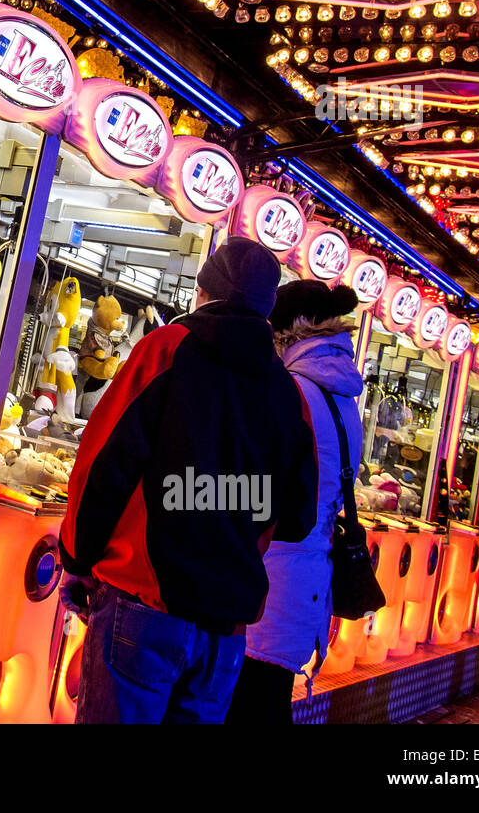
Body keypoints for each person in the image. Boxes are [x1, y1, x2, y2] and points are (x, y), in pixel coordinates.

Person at [59, 236, 318, 724]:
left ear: (204, 293)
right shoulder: (287, 392)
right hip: (226, 628)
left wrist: (76, 557)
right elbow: (300, 516)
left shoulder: (167, 349)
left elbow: (102, 465)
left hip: (144, 600)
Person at [225, 280, 363, 724]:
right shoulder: (343, 401)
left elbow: (252, 487)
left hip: (270, 579)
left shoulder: (294, 391)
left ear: (285, 334)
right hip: (305, 581)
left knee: (247, 705)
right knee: (265, 702)